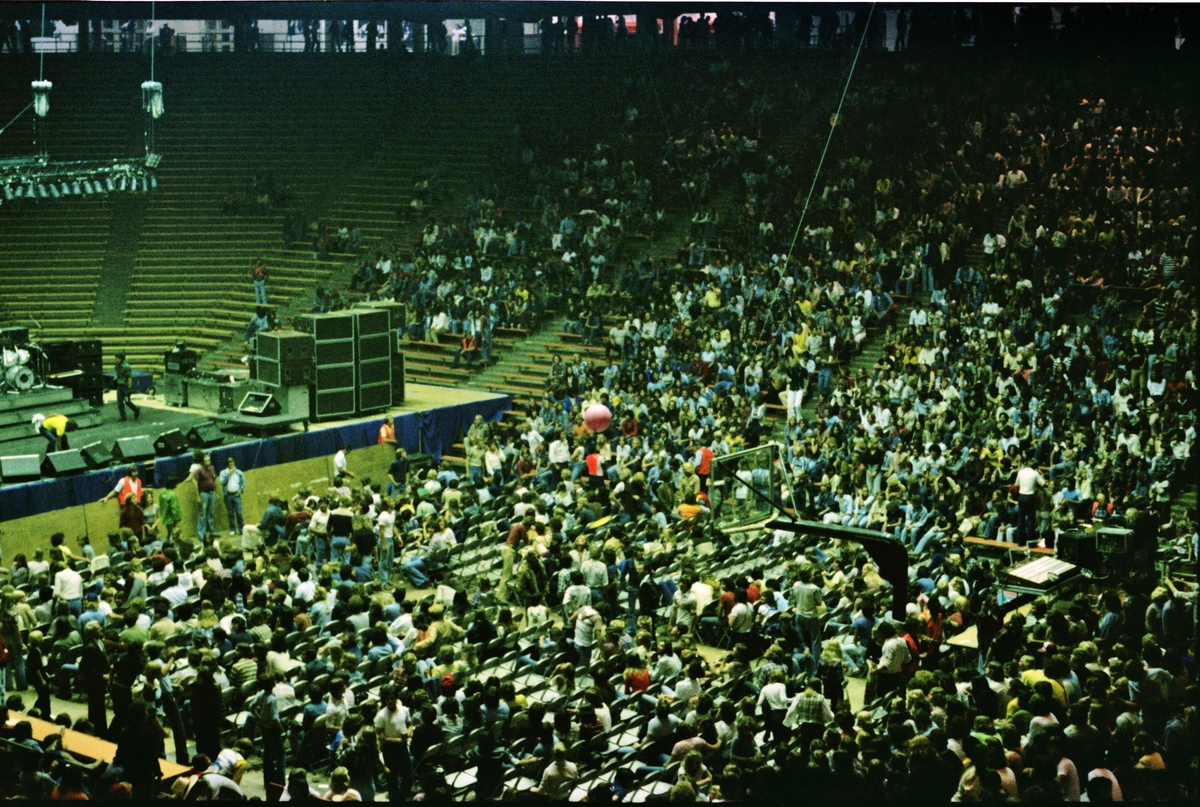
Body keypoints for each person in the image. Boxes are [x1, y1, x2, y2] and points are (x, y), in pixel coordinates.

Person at [374, 685, 413, 800]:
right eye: (387, 699)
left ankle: (401, 798)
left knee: (409, 776)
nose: (390, 701)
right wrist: (395, 740)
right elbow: (379, 736)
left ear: (396, 698)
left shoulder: (404, 710)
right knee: (392, 780)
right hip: (389, 750)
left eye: (392, 698)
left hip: (402, 747)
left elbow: (409, 724)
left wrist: (408, 733)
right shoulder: (381, 716)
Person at [1014, 460, 1046, 546]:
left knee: (1020, 519)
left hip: (1021, 496)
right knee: (1030, 520)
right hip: (1030, 496)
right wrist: (1041, 475)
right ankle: (1030, 543)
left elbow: (1016, 484)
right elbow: (1043, 484)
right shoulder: (1035, 473)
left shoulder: (1020, 472)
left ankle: (1020, 541)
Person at [189, 453, 218, 540]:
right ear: (203, 462)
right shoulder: (200, 470)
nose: (207, 462)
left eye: (208, 460)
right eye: (205, 461)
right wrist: (198, 496)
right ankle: (202, 534)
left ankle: (211, 531)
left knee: (211, 513)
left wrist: (216, 492)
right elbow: (195, 482)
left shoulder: (212, 468)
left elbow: (214, 480)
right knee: (202, 514)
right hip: (204, 494)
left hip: (211, 493)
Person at [218, 457, 247, 535]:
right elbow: (222, 482)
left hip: (236, 495)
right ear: (227, 464)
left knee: (239, 512)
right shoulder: (223, 472)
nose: (231, 464)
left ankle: (241, 528)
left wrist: (240, 491)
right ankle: (232, 529)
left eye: (233, 463)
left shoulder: (239, 472)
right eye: (230, 463)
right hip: (227, 495)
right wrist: (229, 474)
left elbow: (243, 483)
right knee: (230, 513)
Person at [113, 352, 141, 421]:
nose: (117, 360)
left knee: (127, 401)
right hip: (119, 386)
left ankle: (136, 409)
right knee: (119, 402)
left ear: (122, 359)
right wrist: (114, 379)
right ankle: (123, 416)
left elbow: (129, 378)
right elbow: (119, 375)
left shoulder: (126, 367)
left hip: (125, 387)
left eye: (118, 359)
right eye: (116, 358)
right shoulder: (117, 366)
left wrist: (129, 388)